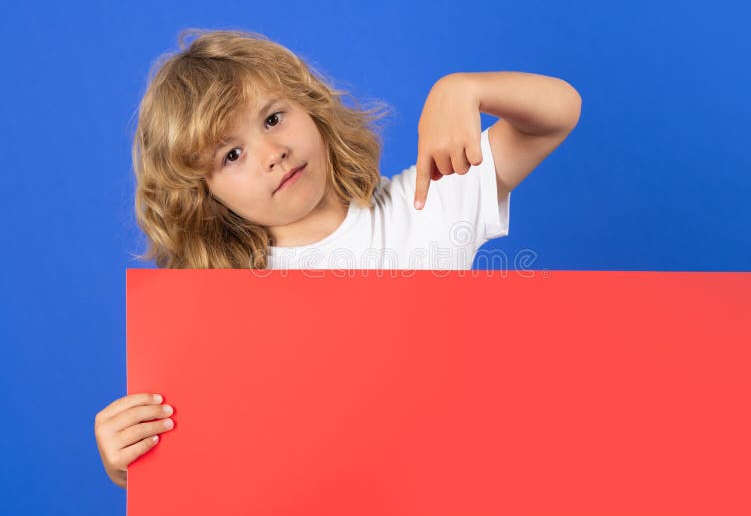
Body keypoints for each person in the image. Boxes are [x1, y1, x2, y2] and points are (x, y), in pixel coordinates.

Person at [95, 29, 582, 488]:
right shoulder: (220, 308)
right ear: (204, 194)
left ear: (312, 109)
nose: (272, 152)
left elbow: (557, 115)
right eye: (231, 155)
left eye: (272, 118)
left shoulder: (426, 206)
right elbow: (212, 462)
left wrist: (464, 89)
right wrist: (131, 462)